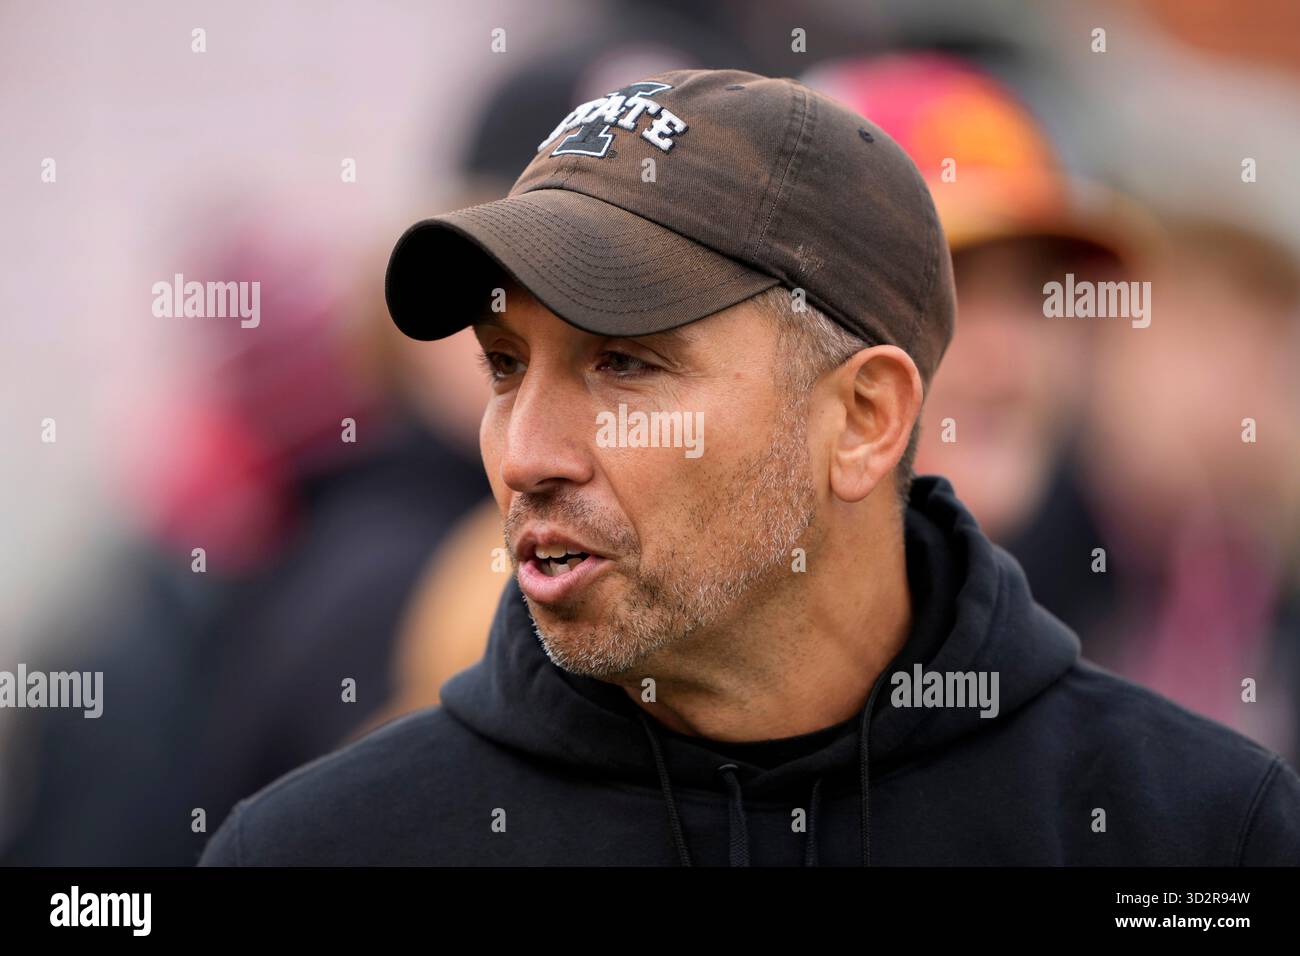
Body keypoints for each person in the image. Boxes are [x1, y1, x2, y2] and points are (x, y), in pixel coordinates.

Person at [199, 68, 1300, 866]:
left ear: (866, 417)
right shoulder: (318, 848)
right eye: (501, 366)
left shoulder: (1199, 829)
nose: (526, 452)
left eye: (625, 364)